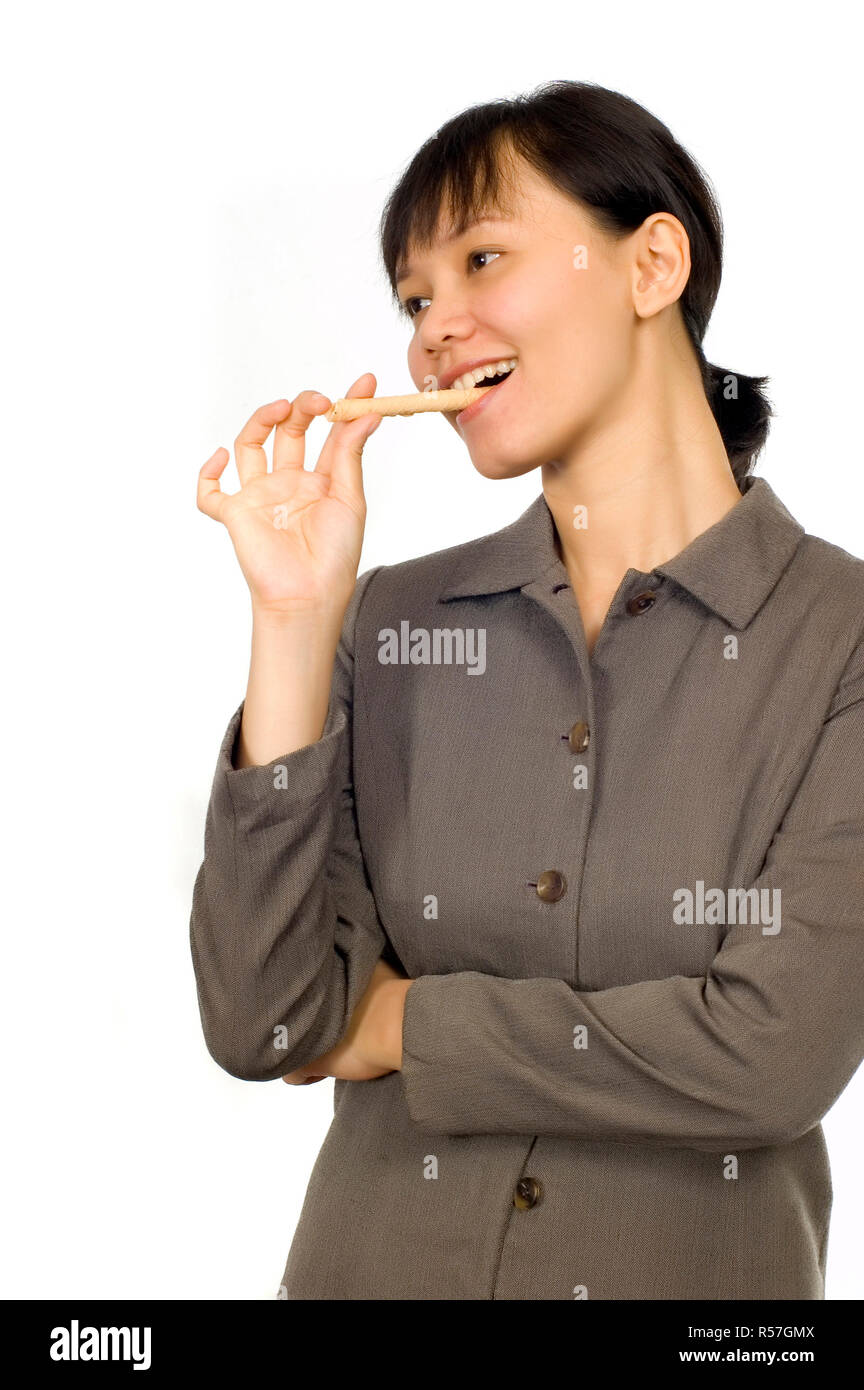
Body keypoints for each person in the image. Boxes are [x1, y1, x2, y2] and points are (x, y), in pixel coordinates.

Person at [190, 80, 864, 1299]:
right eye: (412, 299)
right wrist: (295, 623)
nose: (433, 329)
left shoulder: (842, 638)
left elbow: (771, 1056)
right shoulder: (392, 620)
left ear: (653, 261)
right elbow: (270, 1023)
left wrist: (400, 1027)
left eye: (481, 259)